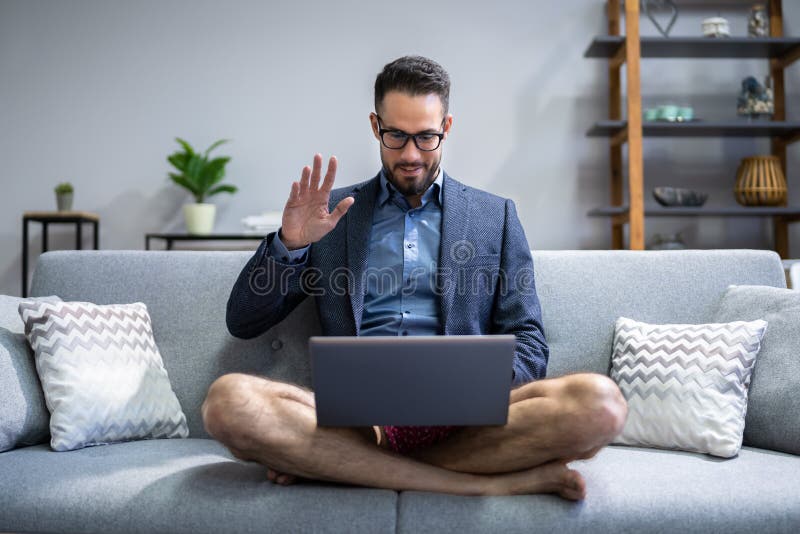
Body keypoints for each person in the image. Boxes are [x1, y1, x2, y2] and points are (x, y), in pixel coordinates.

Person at [202, 56, 627, 499]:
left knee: (600, 404)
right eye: (396, 136)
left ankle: (340, 468)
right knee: (228, 403)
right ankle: (482, 483)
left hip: (465, 423)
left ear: (446, 125)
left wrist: (470, 385)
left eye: (426, 137)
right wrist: (290, 244)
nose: (409, 154)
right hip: (356, 425)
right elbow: (243, 320)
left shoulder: (494, 216)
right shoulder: (331, 216)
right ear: (374, 125)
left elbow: (530, 341)